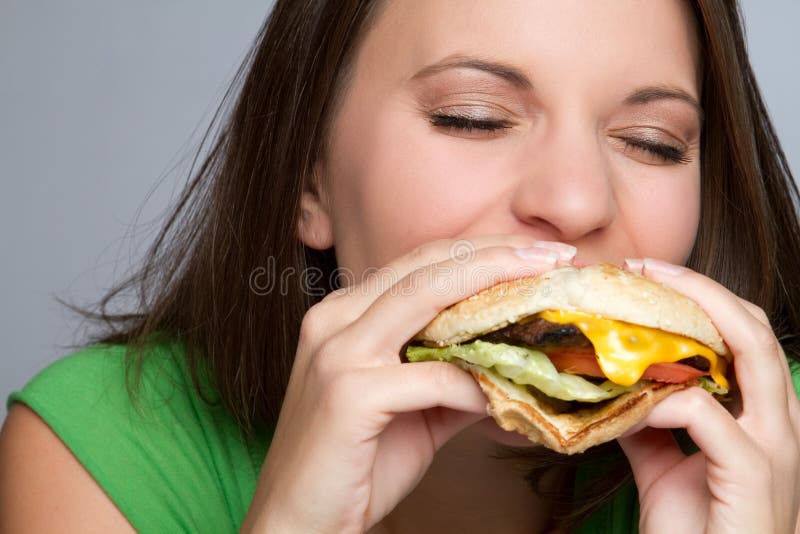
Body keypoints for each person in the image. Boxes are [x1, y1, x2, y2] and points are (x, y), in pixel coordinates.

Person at [2, 0, 800, 532]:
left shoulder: (774, 449)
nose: (577, 200)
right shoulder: (103, 453)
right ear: (309, 178)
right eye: (472, 118)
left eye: (652, 143)